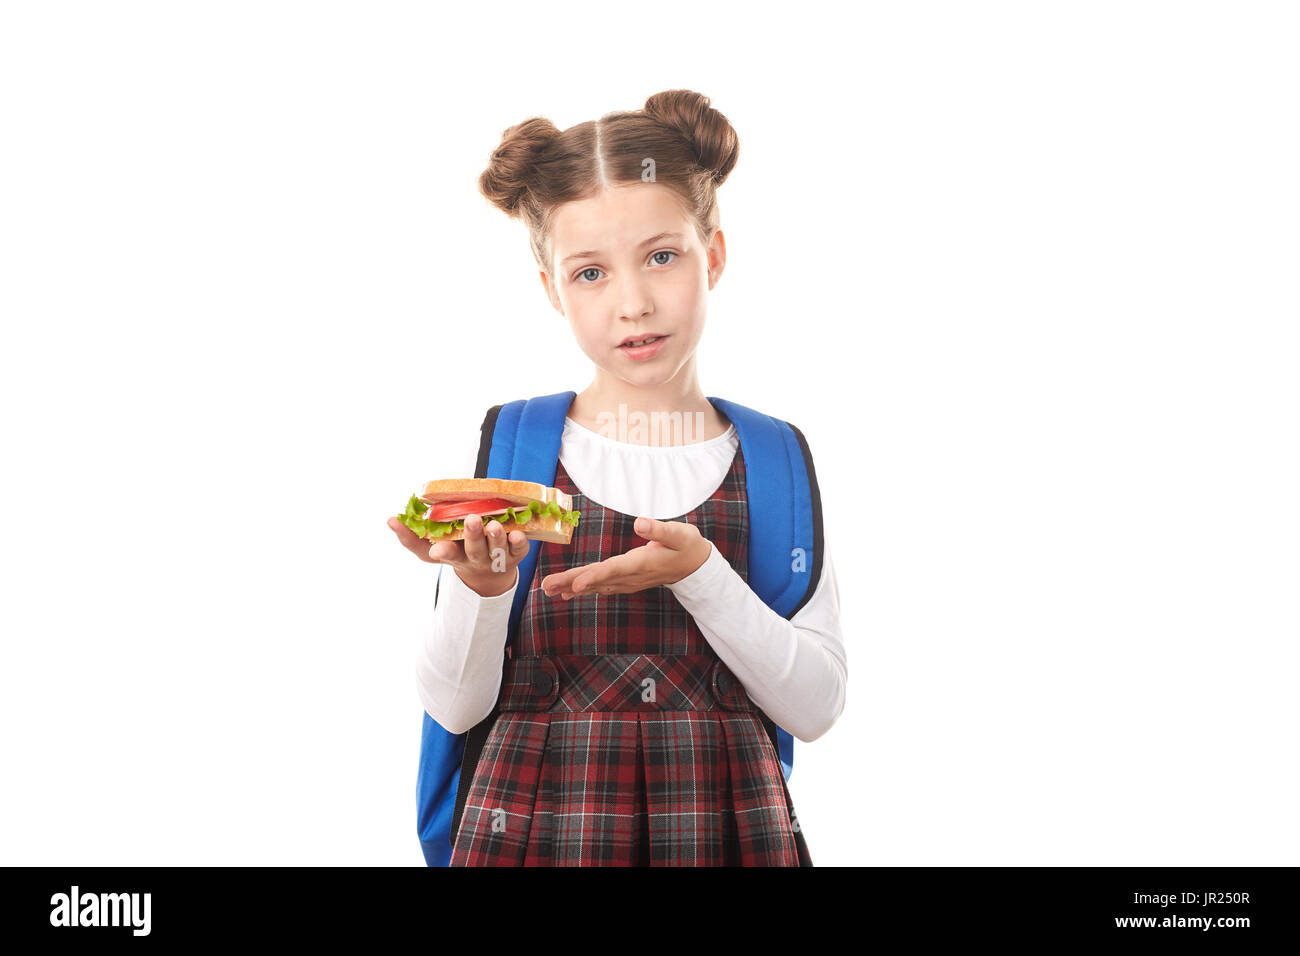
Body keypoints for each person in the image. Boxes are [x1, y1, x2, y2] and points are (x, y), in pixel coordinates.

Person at [387, 89, 846, 865]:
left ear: (716, 255)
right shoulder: (515, 452)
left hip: (723, 835)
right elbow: (455, 708)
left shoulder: (774, 460)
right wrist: (483, 590)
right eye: (590, 273)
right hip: (535, 837)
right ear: (551, 291)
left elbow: (817, 706)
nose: (632, 303)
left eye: (661, 257)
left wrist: (703, 575)